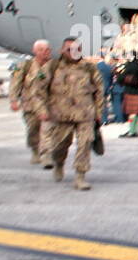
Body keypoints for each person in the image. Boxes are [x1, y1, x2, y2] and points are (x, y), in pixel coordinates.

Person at [42, 36, 103, 190]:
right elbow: (39, 90)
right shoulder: (52, 67)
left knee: (85, 144)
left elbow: (100, 91)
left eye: (77, 49)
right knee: (60, 146)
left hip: (85, 114)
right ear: (62, 50)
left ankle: (80, 176)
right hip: (61, 115)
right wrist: (42, 110)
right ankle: (59, 163)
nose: (73, 52)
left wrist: (99, 111)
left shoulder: (89, 68)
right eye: (69, 49)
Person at [9, 40, 51, 163]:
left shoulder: (53, 66)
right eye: (41, 50)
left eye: (47, 50)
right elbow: (15, 84)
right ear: (35, 51)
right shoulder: (25, 66)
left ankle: (46, 155)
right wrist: (13, 100)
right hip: (30, 105)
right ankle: (35, 150)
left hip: (48, 105)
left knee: (48, 130)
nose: (44, 52)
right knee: (33, 129)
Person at [116, 54, 138, 136]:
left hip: (130, 91)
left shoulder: (129, 66)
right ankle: (134, 130)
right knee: (136, 112)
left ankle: (131, 131)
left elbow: (120, 78)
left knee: (131, 113)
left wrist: (118, 74)